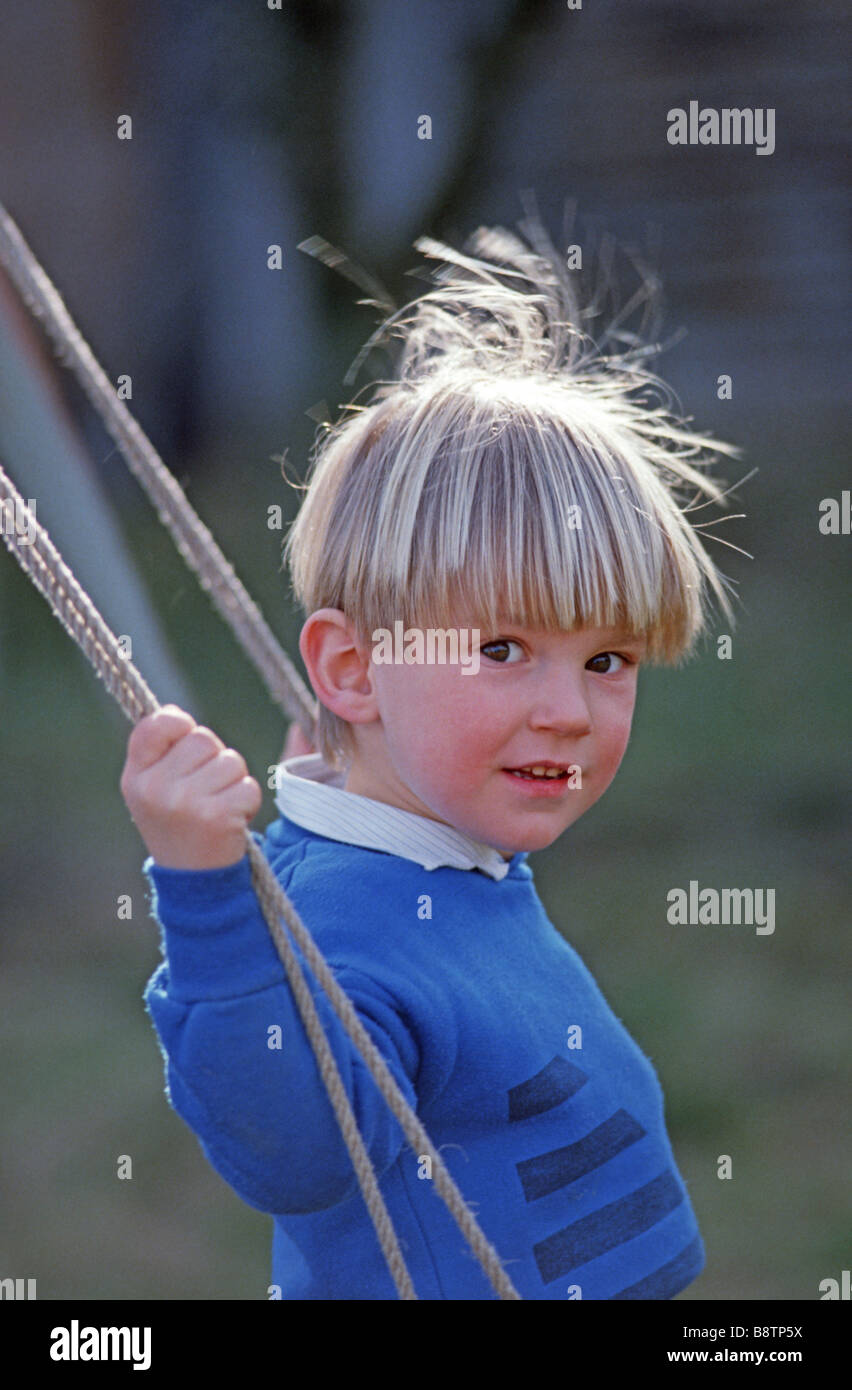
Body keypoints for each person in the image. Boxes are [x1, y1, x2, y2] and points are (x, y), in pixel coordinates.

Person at [121, 219, 740, 1299]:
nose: (568, 712)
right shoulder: (328, 923)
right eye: (502, 649)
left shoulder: (449, 842)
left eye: (607, 658)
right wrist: (204, 890)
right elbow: (289, 1150)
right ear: (354, 670)